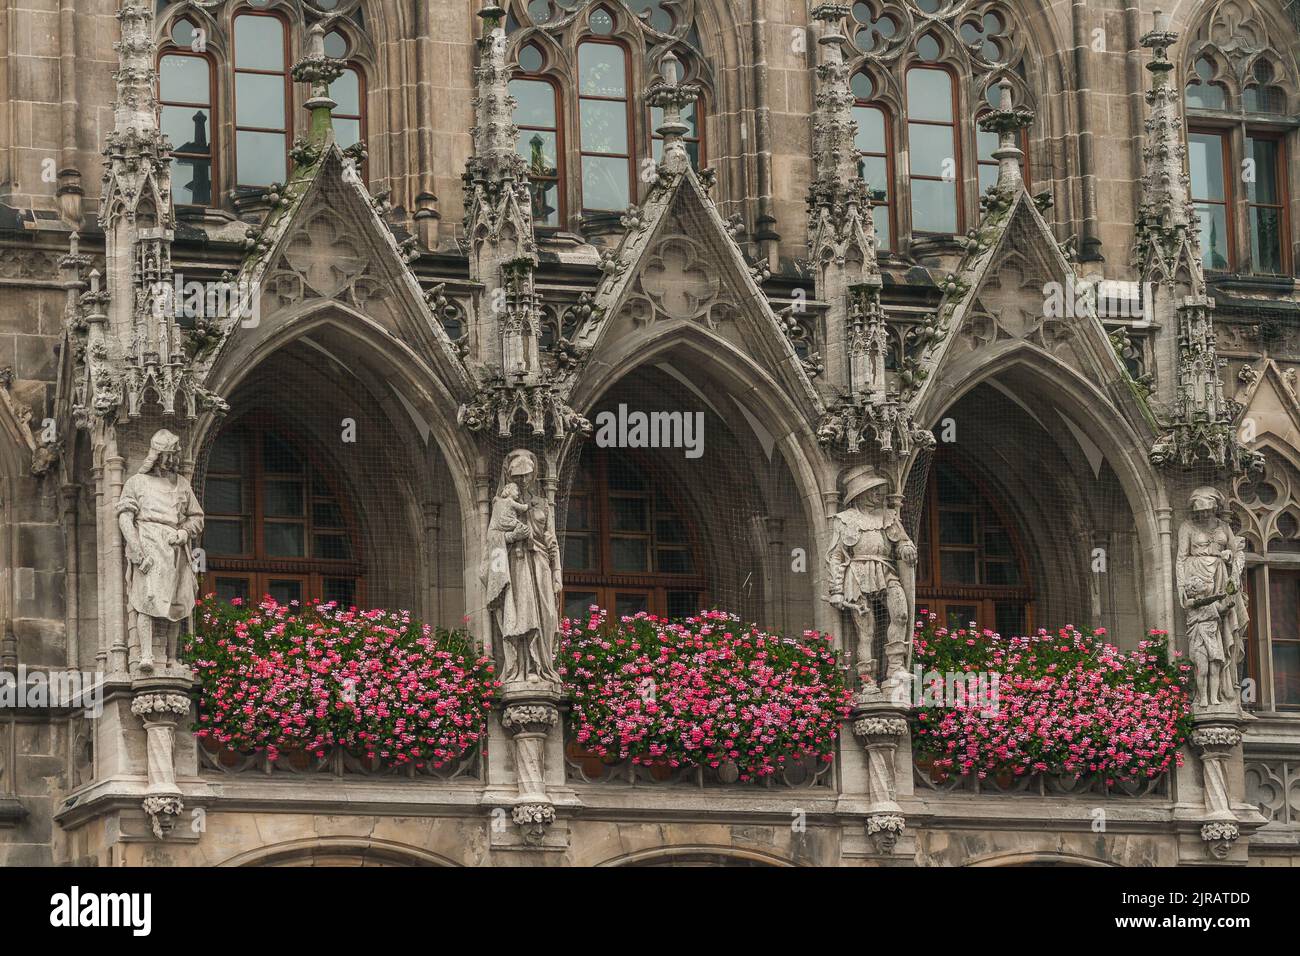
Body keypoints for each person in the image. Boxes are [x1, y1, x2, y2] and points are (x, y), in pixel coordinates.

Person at [117, 429, 204, 673]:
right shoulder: (137, 482)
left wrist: (184, 532)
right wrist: (137, 551)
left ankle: (169, 658)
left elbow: (196, 517)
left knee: (175, 603)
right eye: (165, 456)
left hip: (174, 547)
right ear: (155, 456)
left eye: (172, 456)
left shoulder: (182, 485)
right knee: (146, 598)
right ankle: (145, 654)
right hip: (148, 542)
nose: (170, 461)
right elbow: (125, 518)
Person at [826, 466, 916, 692]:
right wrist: (836, 590)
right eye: (873, 490)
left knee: (901, 614)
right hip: (856, 574)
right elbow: (835, 556)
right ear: (860, 493)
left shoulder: (889, 516)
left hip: (886, 570)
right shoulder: (844, 520)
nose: (879, 494)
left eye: (879, 490)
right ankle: (867, 681)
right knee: (866, 632)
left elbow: (902, 541)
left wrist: (906, 548)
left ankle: (895, 668)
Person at [482, 449, 563, 685]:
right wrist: (512, 536)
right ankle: (520, 669)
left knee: (546, 615)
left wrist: (557, 572)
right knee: (519, 615)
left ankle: (543, 666)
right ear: (510, 476)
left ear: (534, 473)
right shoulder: (503, 504)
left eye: (527, 474)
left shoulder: (541, 504)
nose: (523, 479)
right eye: (518, 475)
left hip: (540, 565)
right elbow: (492, 541)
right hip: (514, 566)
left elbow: (552, 541)